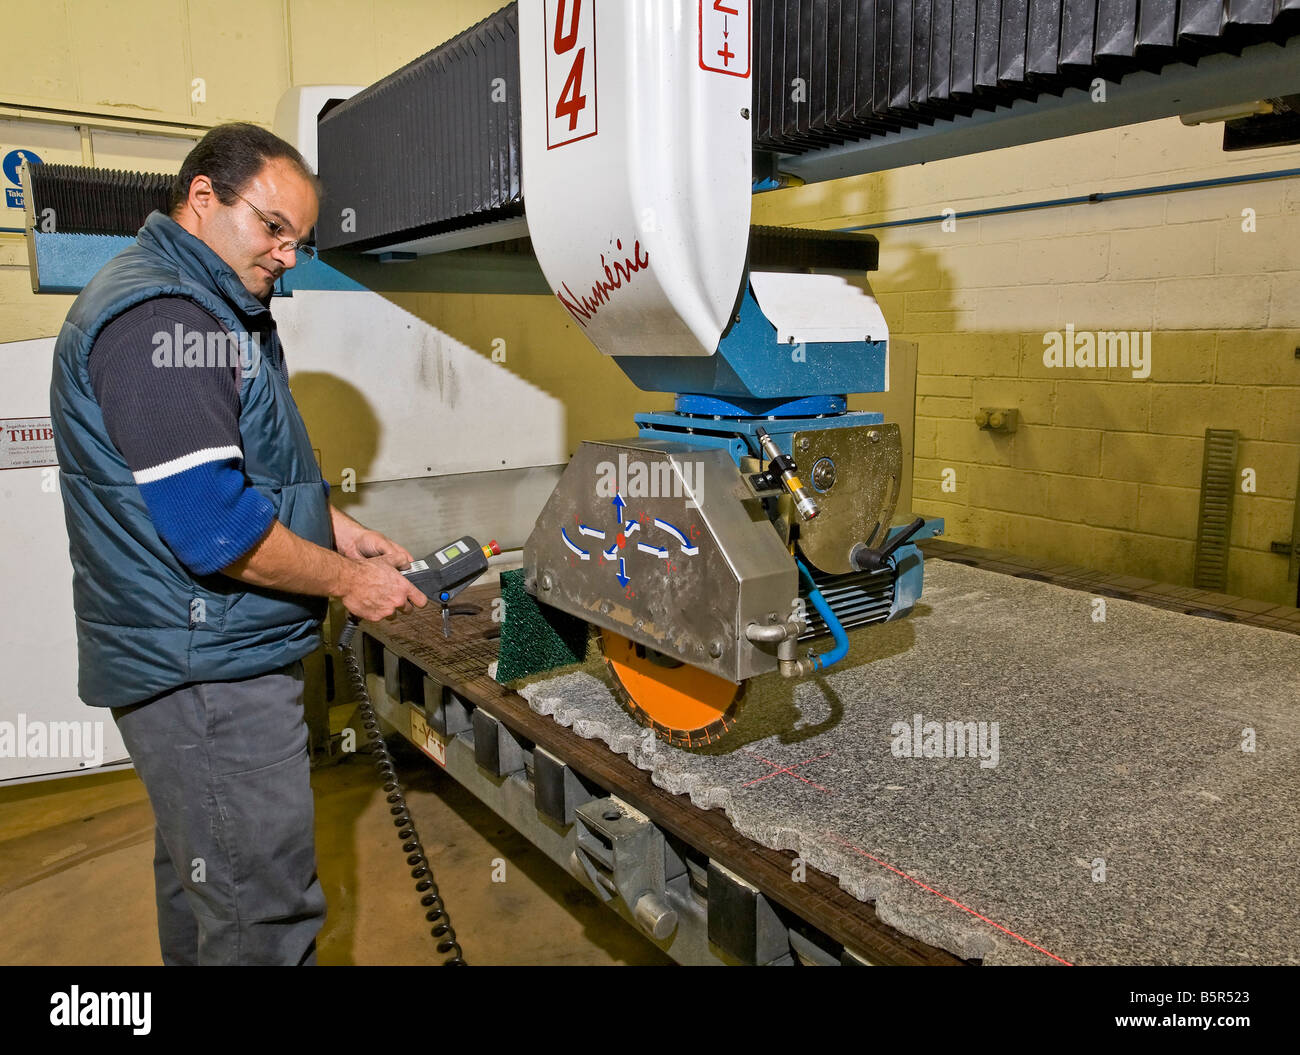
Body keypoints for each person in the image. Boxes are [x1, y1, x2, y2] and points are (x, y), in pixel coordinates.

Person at [49, 122, 427, 965]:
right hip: (208, 671)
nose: (288, 253)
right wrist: (346, 583)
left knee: (207, 888)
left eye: (301, 237)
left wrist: (342, 532)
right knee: (262, 918)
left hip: (202, 657)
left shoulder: (212, 307)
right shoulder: (162, 317)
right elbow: (212, 524)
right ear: (203, 198)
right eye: (273, 227)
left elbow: (246, 477)